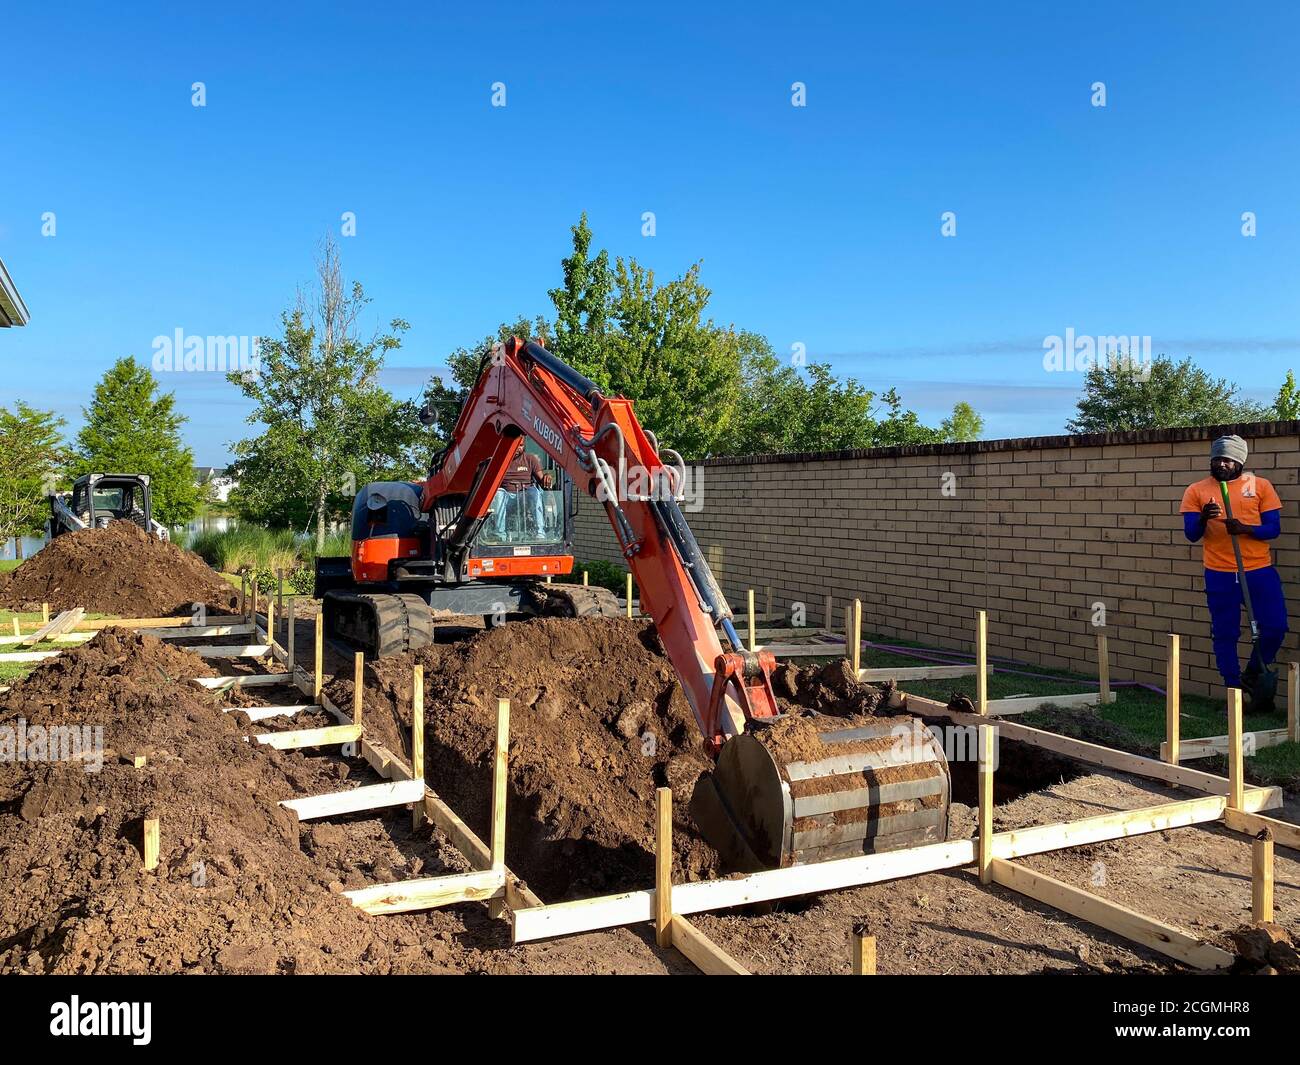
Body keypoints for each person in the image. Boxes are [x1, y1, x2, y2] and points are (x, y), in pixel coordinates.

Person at [1179, 434, 1288, 709]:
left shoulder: (1259, 485)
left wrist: (1245, 529)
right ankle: (1233, 687)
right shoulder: (1197, 490)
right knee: (1224, 632)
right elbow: (1192, 534)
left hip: (1258, 570)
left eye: (1228, 459)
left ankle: (1253, 672)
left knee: (1275, 626)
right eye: (1217, 459)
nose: (1222, 464)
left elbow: (1273, 529)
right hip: (1219, 573)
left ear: (1240, 461)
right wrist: (1204, 516)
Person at [492, 440, 553, 539]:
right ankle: (500, 534)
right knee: (499, 493)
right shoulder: (500, 460)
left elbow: (541, 480)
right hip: (506, 496)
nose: (518, 448)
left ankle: (540, 534)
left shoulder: (530, 459)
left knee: (535, 492)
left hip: (524, 495)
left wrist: (547, 477)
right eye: (516, 445)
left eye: (521, 445)